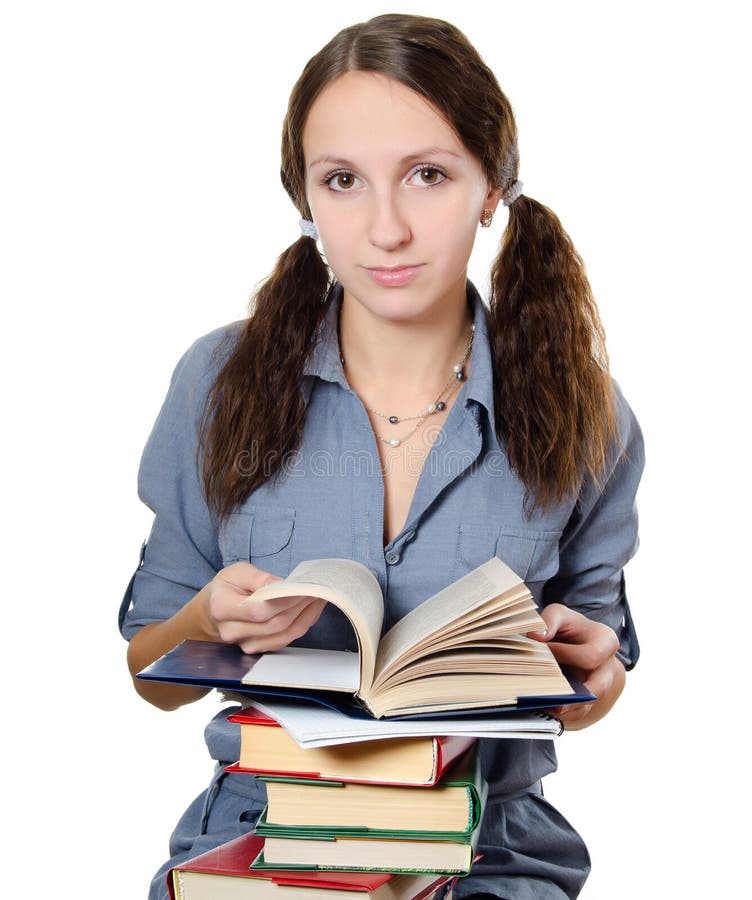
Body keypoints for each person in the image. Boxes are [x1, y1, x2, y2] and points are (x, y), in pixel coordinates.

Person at [120, 13, 644, 900]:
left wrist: (596, 672)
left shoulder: (585, 412)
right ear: (305, 197)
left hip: (487, 851)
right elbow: (150, 675)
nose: (387, 229)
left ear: (491, 187)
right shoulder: (217, 382)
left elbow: (591, 686)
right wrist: (205, 619)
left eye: (428, 176)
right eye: (344, 181)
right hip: (264, 838)